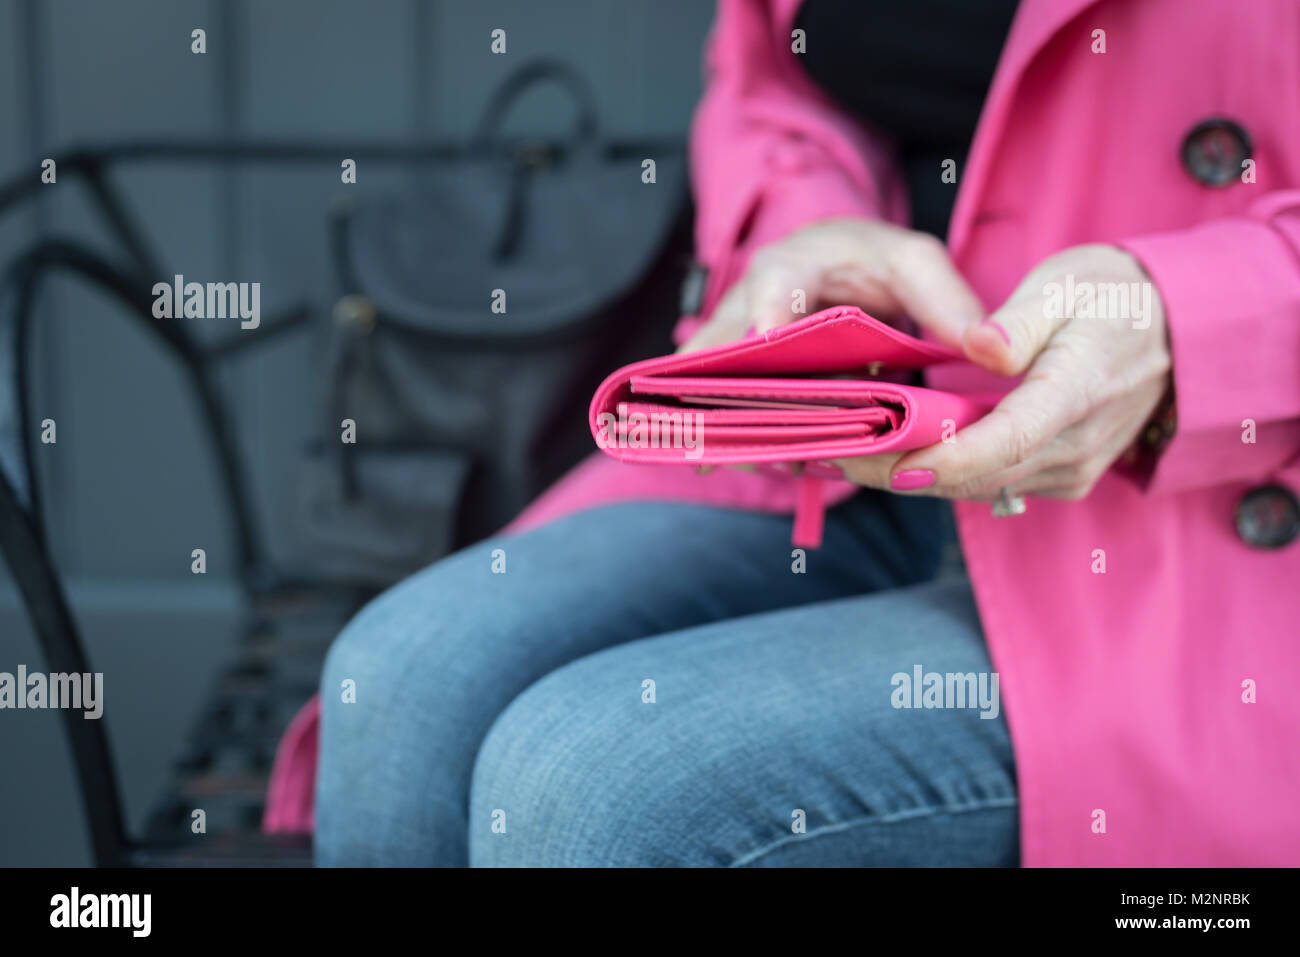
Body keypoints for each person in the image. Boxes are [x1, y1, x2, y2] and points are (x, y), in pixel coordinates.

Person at [313, 0, 1300, 866]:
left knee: (592, 781)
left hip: (1198, 538)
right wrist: (804, 217)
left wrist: (1192, 325)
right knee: (401, 684)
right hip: (842, 449)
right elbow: (770, 71)